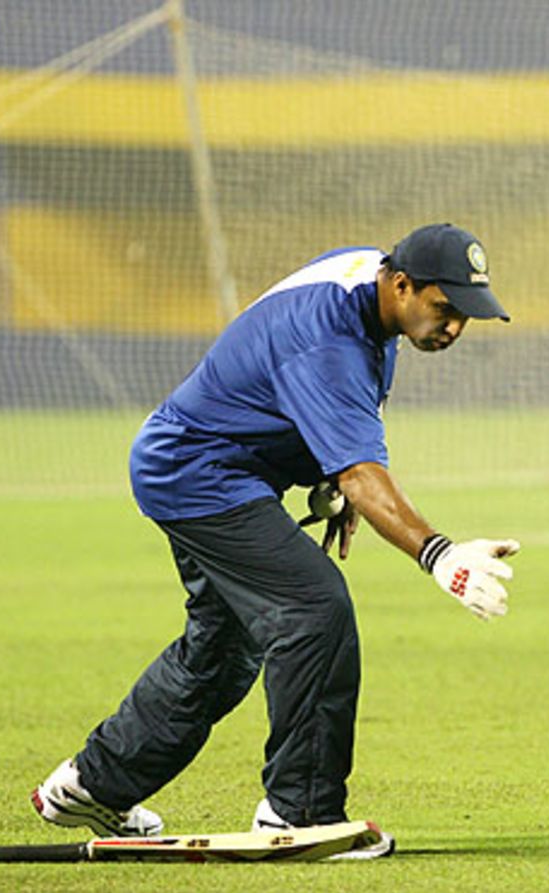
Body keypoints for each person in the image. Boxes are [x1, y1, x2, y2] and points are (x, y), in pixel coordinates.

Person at [30, 223, 521, 859]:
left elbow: (334, 416)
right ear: (402, 285)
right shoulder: (329, 339)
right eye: (445, 308)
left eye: (466, 314)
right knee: (315, 611)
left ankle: (90, 786)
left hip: (208, 466)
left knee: (224, 651)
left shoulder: (366, 278)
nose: (454, 327)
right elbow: (361, 463)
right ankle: (301, 812)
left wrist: (330, 474)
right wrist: (439, 554)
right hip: (199, 473)